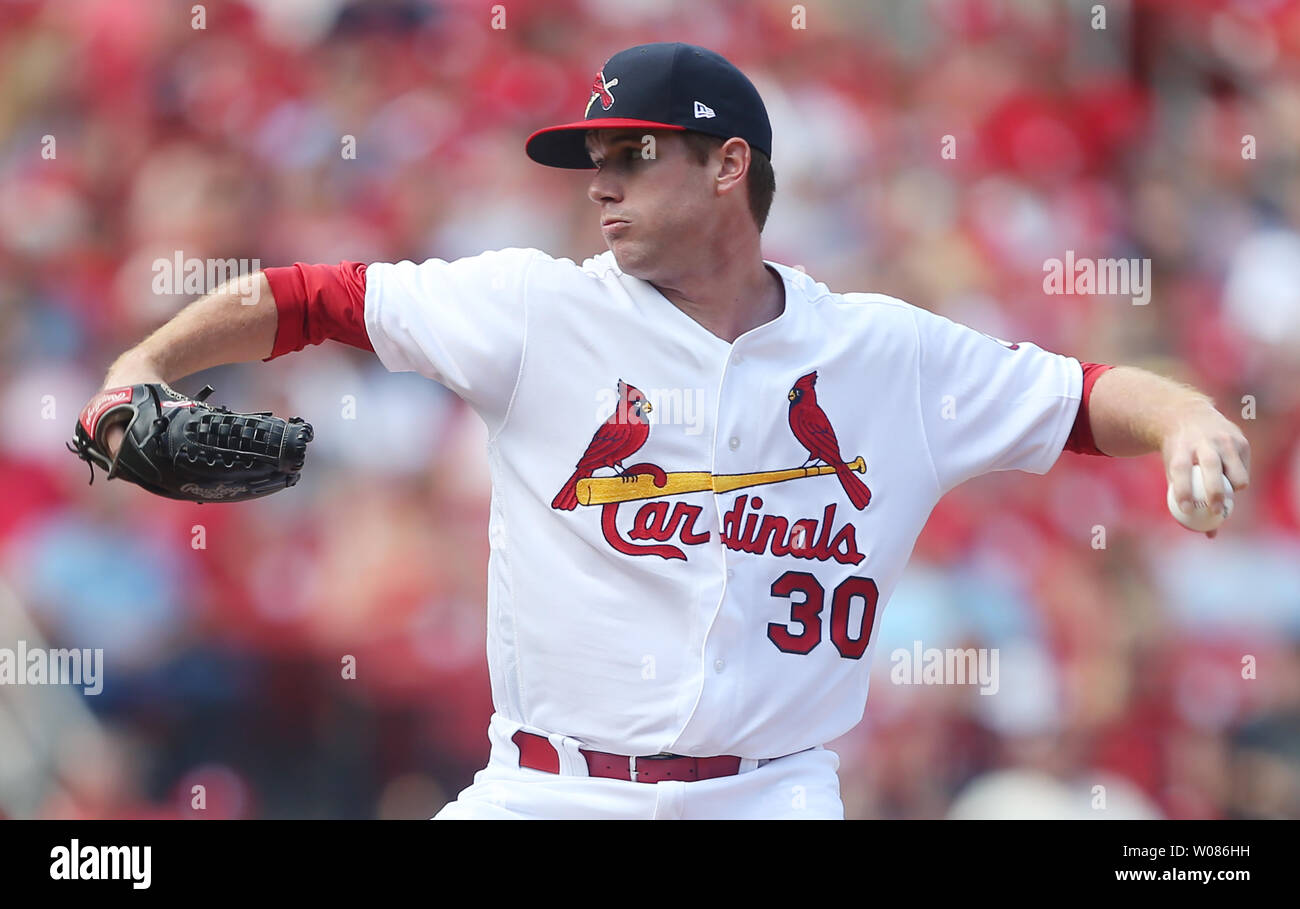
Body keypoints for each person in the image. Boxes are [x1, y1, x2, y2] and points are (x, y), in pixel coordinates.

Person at [88, 42, 1250, 819]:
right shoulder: (535, 309)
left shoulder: (884, 353)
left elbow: (1088, 396)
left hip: (768, 797)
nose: (601, 183)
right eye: (595, 159)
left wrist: (1188, 414)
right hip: (546, 790)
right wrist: (139, 367)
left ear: (728, 166)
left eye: (634, 156)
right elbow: (309, 296)